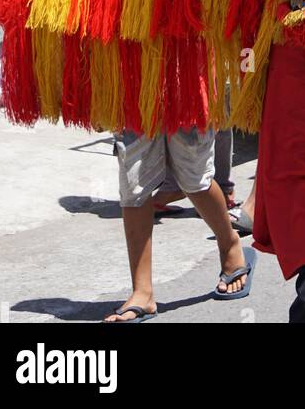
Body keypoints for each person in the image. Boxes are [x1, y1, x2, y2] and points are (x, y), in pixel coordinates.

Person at [104, 129, 253, 324]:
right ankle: (142, 292)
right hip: (133, 99)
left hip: (188, 100)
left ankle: (229, 243)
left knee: (194, 177)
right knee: (134, 180)